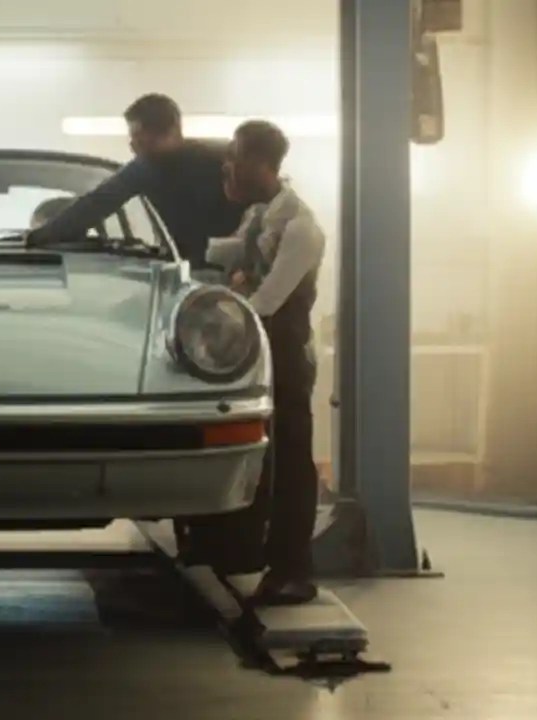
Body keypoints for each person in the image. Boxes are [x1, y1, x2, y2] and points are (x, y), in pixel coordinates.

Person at [219, 120, 326, 605]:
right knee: (263, 459)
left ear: (261, 162)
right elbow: (226, 260)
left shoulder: (301, 225)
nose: (230, 163)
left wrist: (237, 289)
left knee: (292, 463)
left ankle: (295, 570)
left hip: (285, 351)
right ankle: (254, 556)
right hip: (258, 350)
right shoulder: (260, 215)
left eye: (236, 155)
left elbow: (266, 300)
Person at [27, 93, 245, 262]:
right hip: (183, 267)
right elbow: (97, 203)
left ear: (173, 131)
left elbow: (262, 215)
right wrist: (39, 237)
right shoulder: (146, 167)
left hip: (232, 267)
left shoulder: (223, 163)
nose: (133, 148)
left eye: (141, 141)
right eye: (132, 140)